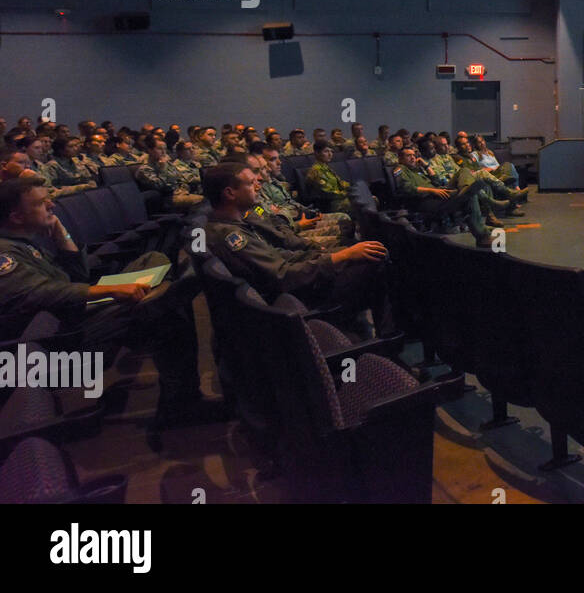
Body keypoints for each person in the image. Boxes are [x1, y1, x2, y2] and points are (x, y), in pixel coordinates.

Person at [0, 177, 213, 435]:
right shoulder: (5, 256)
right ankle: (180, 405)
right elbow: (41, 293)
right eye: (41, 203)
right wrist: (111, 289)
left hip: (73, 319)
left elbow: (76, 278)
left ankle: (158, 300)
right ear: (17, 217)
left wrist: (61, 233)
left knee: (153, 260)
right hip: (57, 342)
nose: (51, 205)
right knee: (164, 314)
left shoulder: (25, 242)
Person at [202, 164, 392, 335]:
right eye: (251, 183)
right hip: (291, 300)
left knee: (361, 254)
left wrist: (330, 255)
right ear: (230, 193)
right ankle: (389, 341)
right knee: (375, 260)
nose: (258, 186)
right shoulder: (231, 237)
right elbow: (283, 276)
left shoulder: (236, 225)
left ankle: (369, 331)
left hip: (293, 288)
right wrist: (339, 257)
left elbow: (279, 255)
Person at [303, 141, 354, 216]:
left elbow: (340, 183)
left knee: (366, 199)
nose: (330, 154)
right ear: (317, 153)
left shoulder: (326, 167)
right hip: (329, 204)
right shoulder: (315, 171)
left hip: (339, 199)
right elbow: (328, 193)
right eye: (326, 151)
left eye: (331, 151)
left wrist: (353, 188)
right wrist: (348, 193)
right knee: (360, 203)